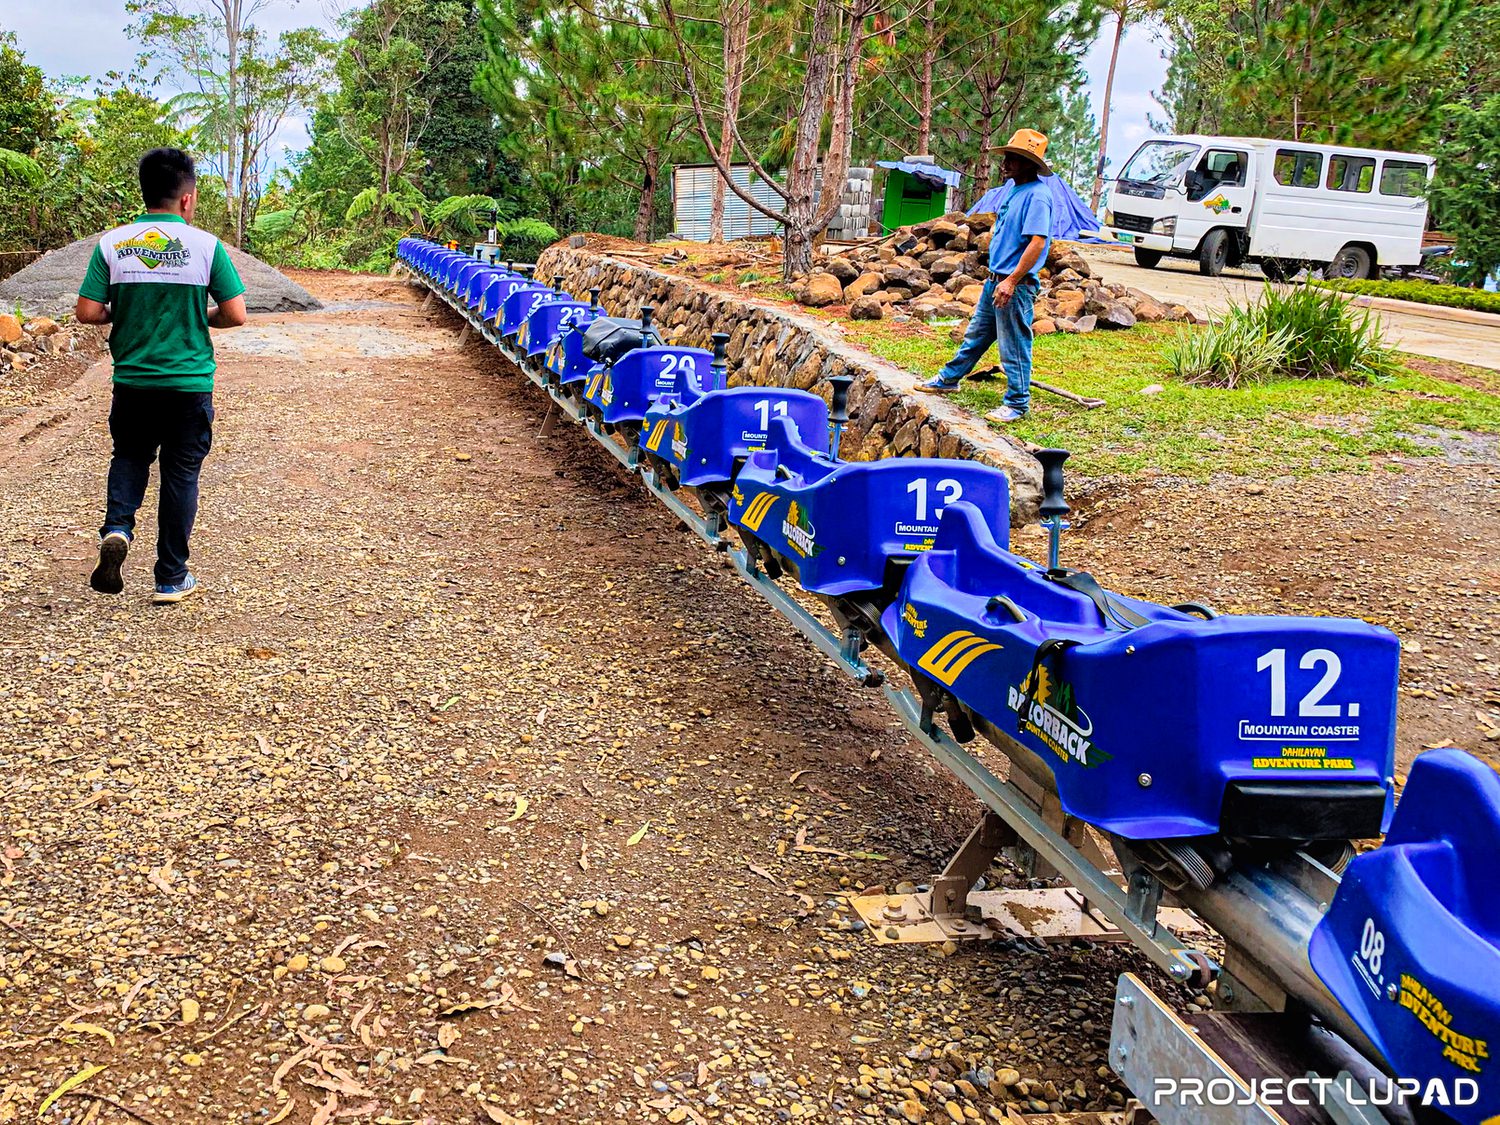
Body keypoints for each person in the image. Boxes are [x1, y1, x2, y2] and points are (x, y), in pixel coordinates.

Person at [76, 148, 246, 603]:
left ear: (145, 192)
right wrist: (197, 314)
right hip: (188, 384)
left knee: (130, 456)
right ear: (187, 199)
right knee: (180, 474)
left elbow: (87, 312)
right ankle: (171, 576)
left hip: (133, 383)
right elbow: (235, 314)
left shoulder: (112, 245)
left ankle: (117, 528)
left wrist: (125, 311)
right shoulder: (206, 247)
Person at [916, 128, 1054, 423]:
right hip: (996, 280)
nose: (1006, 163)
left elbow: (1038, 242)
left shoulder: (1038, 196)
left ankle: (1017, 403)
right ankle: (949, 378)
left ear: (1029, 163)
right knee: (977, 335)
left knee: (1014, 344)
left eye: (1013, 158)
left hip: (1014, 284)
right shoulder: (1015, 190)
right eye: (1007, 157)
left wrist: (1012, 280)